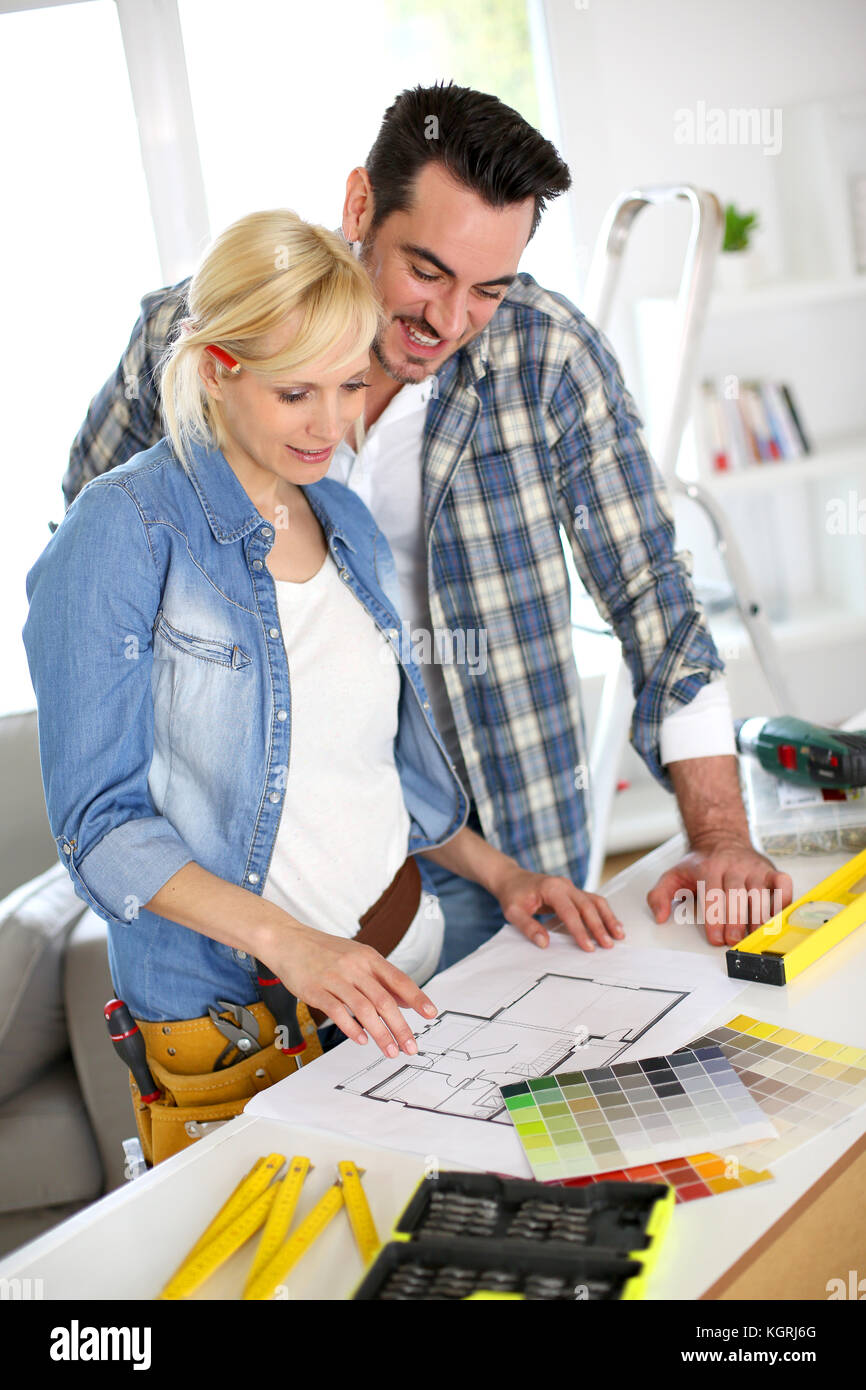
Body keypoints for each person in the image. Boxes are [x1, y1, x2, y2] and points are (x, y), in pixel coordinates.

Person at [62, 83, 792, 969]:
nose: (448, 322)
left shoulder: (547, 354)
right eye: (428, 272)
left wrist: (718, 833)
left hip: (504, 840)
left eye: (489, 288)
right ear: (359, 205)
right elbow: (90, 550)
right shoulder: (200, 337)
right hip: (261, 880)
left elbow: (651, 594)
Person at [24, 209, 624, 1165]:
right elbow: (100, 830)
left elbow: (374, 763)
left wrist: (502, 873)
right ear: (219, 368)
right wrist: (290, 944)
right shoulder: (121, 532)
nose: (333, 425)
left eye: (351, 385)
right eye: (296, 391)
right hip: (248, 1021)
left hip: (407, 961)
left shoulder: (339, 515)